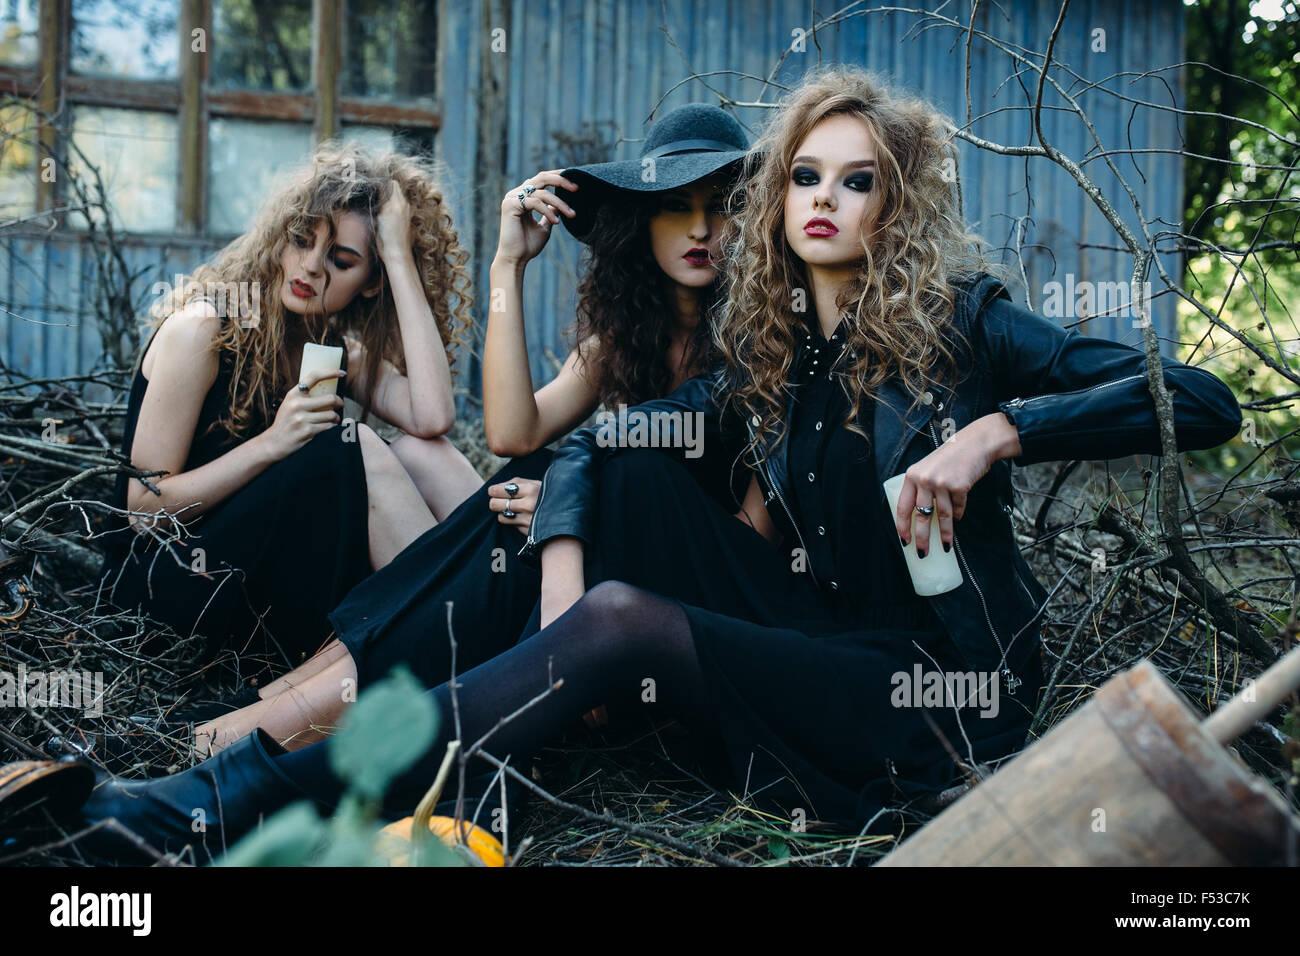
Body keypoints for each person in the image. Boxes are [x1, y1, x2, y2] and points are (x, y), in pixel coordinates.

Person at [5, 69, 1241, 861]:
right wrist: (558, 568)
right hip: (820, 634)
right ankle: (223, 794)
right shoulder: (770, 355)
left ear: (895, 203)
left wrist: (993, 431)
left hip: (941, 692)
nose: (820, 198)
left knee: (620, 610)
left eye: (855, 180)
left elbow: (1194, 395)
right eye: (802, 175)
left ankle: (218, 799)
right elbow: (593, 440)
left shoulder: (966, 321)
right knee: (570, 495)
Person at [176, 104, 756, 758]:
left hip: (689, 609)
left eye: (724, 205)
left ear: (757, 220)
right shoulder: (626, 340)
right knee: (513, 495)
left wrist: (589, 513)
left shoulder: (764, 349)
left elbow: (741, 548)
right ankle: (279, 711)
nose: (702, 228)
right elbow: (512, 431)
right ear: (643, 220)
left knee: (524, 507)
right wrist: (508, 265)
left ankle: (265, 723)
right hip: (611, 565)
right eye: (676, 205)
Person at [92, 142, 481, 697]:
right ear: (281, 237)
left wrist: (397, 256)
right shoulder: (203, 330)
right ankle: (463, 637)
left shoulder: (333, 345)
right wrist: (273, 444)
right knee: (356, 445)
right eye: (302, 239)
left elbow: (434, 416)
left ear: (369, 283)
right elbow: (144, 512)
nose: (310, 267)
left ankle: (480, 615)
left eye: (342, 260)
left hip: (262, 581)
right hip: (166, 594)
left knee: (426, 454)